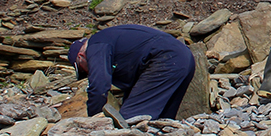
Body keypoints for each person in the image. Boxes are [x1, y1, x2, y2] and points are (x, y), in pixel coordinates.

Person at [68, 24, 196, 120]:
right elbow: (137, 87)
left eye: (85, 70)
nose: (89, 73)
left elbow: (99, 86)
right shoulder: (112, 38)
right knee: (162, 121)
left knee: (131, 120)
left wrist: (93, 121)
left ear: (80, 57)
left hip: (166, 59)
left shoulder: (96, 45)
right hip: (184, 57)